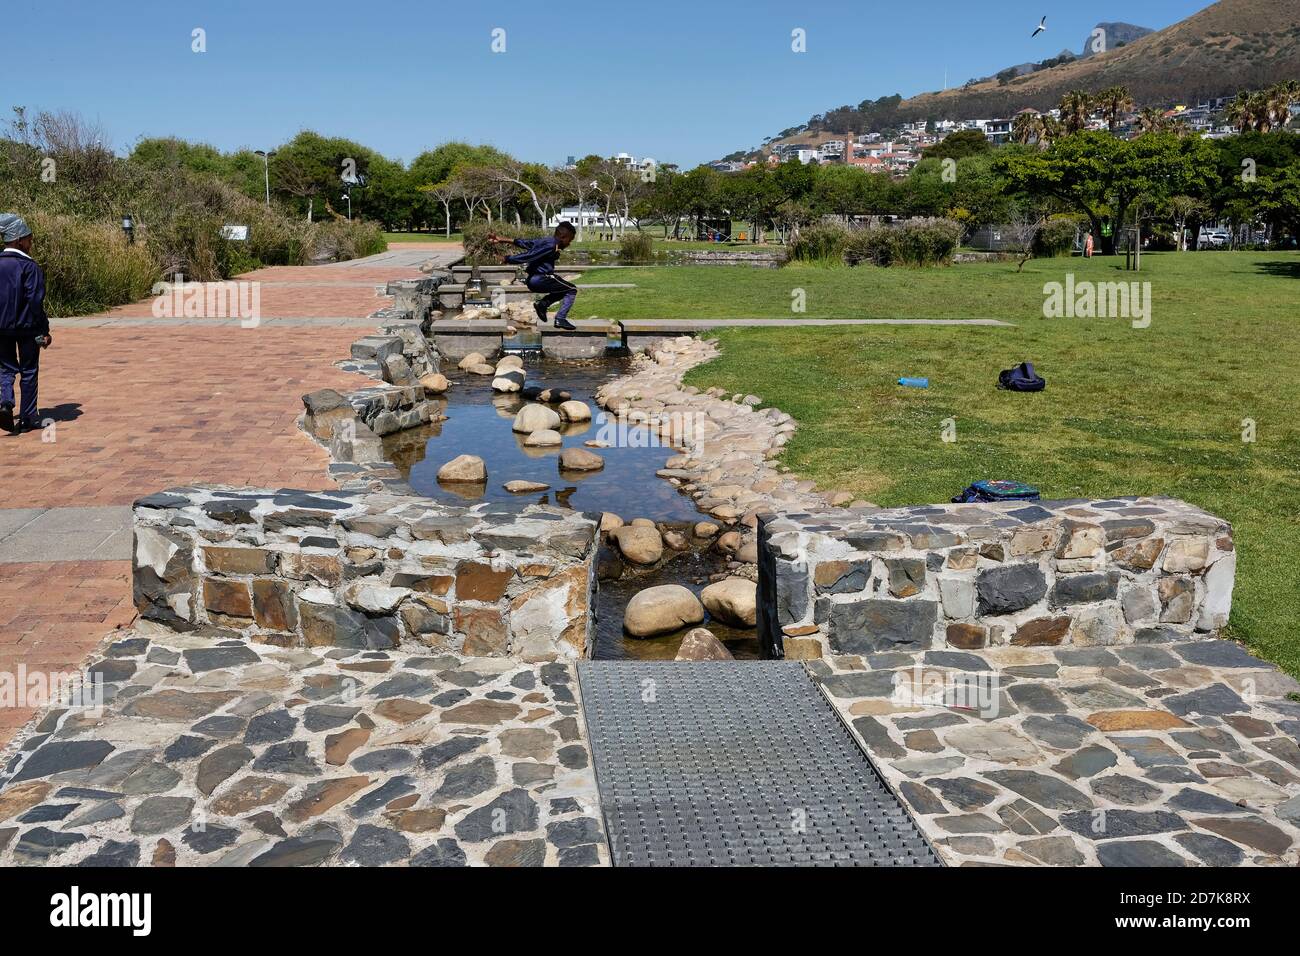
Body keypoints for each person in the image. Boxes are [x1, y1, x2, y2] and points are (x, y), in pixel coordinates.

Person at [0, 214, 51, 434]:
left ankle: (5, 403)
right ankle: (27, 418)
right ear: (18, 240)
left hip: (1, 328)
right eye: (29, 239)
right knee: (29, 369)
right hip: (27, 328)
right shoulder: (29, 267)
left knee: (5, 368)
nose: (31, 243)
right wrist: (44, 330)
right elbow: (35, 301)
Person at [485, 222, 579, 330]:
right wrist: (507, 259)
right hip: (541, 278)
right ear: (563, 237)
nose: (569, 244)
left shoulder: (547, 241)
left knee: (563, 289)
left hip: (532, 280)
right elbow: (530, 255)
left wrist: (501, 239)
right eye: (569, 240)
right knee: (571, 289)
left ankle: (542, 305)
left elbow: (525, 243)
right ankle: (560, 318)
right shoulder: (551, 245)